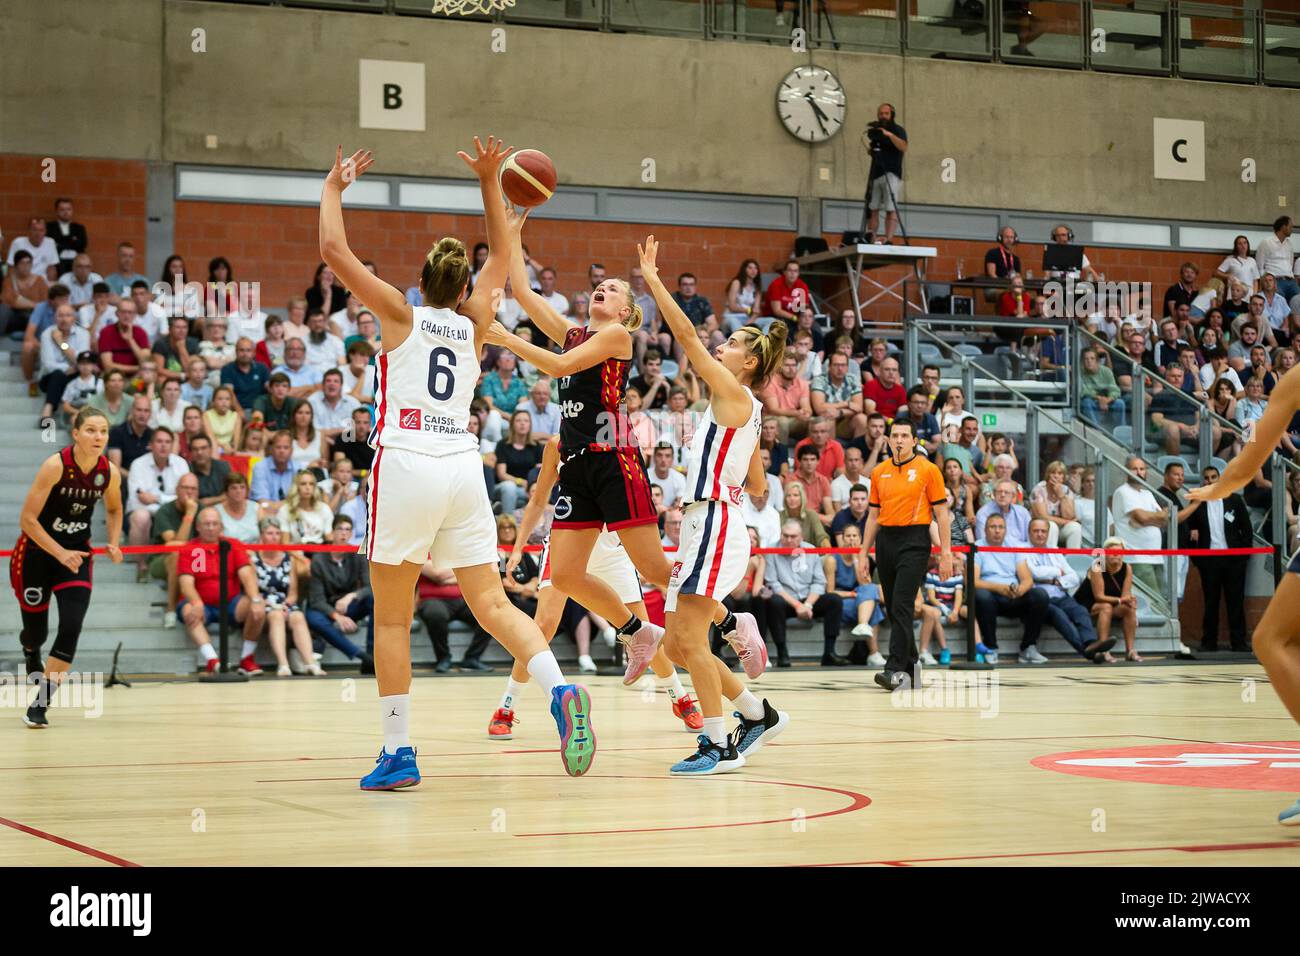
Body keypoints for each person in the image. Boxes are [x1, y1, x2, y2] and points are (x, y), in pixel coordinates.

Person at [320, 138, 595, 788]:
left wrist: (334, 188)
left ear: (420, 282)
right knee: (495, 607)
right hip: (462, 467)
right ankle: (559, 692)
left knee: (391, 617)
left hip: (407, 463)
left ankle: (398, 754)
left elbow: (334, 251)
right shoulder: (475, 320)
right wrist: (488, 184)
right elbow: (502, 255)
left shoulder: (395, 311)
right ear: (464, 286)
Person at [636, 234, 787, 774]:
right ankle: (757, 713)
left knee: (691, 643)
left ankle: (719, 744)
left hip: (716, 522)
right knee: (677, 646)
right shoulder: (741, 406)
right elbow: (760, 482)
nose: (719, 344)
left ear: (746, 363)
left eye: (731, 344)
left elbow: (685, 336)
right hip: (709, 522)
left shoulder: (730, 391)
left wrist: (653, 281)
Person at [499, 436, 708, 738]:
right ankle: (507, 705)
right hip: (567, 541)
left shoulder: (622, 443)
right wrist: (518, 547)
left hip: (612, 545)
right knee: (542, 626)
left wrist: (645, 554)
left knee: (643, 630)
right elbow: (537, 499)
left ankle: (680, 697)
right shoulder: (558, 444)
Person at [12, 408, 124, 727]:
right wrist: (59, 552)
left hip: (76, 557)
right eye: (90, 430)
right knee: (36, 631)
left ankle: (40, 705)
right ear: (75, 434)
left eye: (102, 431)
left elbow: (115, 509)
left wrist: (114, 541)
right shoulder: (54, 466)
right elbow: (27, 521)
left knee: (71, 626)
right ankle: (30, 649)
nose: (98, 437)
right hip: (36, 554)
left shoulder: (109, 472)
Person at [860, 418, 953, 690]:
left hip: (915, 540)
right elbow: (873, 516)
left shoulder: (929, 470)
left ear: (914, 440)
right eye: (895, 435)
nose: (899, 440)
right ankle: (913, 670)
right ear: (888, 440)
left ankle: (894, 669)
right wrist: (863, 552)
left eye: (904, 435)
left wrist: (945, 552)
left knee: (901, 604)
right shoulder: (879, 472)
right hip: (886, 541)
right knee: (893, 607)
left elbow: (942, 515)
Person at [176, 507, 267, 676]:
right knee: (189, 610)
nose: (211, 528)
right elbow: (186, 583)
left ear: (221, 527)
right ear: (198, 527)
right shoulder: (190, 549)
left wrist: (255, 599)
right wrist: (196, 602)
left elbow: (246, 574)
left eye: (214, 524)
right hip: (202, 604)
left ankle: (246, 659)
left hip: (231, 602)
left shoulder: (233, 545)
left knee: (259, 608)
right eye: (206, 524)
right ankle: (212, 661)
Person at [1022, 518, 1115, 662]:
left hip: (1061, 595)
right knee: (1060, 616)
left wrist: (1055, 580)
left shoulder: (1055, 551)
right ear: (1029, 533)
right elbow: (1035, 573)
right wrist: (1058, 572)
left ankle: (1091, 643)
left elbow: (1074, 577)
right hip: (1042, 599)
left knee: (1081, 611)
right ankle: (1087, 651)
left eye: (1043, 531)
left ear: (1048, 533)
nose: (1040, 534)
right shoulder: (1022, 550)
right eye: (1036, 531)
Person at [1186, 464, 1252, 653]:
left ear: (1219, 479)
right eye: (1206, 478)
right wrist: (1198, 561)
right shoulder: (1197, 503)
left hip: (1233, 560)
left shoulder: (1235, 500)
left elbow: (1247, 531)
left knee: (1236, 602)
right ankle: (1209, 642)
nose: (1209, 481)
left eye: (1213, 477)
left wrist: (1242, 557)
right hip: (1209, 560)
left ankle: (1238, 642)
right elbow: (1189, 532)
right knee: (1210, 602)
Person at [251, 517, 325, 677]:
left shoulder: (287, 558)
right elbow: (251, 590)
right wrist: (274, 606)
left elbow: (293, 592)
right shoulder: (252, 558)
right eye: (270, 533)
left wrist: (286, 604)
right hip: (263, 602)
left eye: (277, 533)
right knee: (276, 616)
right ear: (261, 535)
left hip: (285, 602)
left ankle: (310, 663)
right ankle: (283, 664)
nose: (274, 537)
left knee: (297, 616)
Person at [972, 512, 1050, 665]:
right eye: (993, 527)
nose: (997, 530)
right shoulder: (977, 547)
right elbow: (973, 582)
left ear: (1005, 530)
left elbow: (1027, 579)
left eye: (1001, 527)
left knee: (1040, 595)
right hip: (992, 596)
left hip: (1014, 595)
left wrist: (1020, 590)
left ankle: (1028, 647)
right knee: (981, 596)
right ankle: (991, 647)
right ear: (985, 530)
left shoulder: (1014, 546)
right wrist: (1000, 588)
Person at [1110, 456, 1169, 595]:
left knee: (1163, 599)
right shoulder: (1123, 492)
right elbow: (1141, 518)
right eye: (1134, 469)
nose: (1139, 472)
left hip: (1156, 556)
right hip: (1137, 556)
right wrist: (1152, 518)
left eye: (1142, 469)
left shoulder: (1147, 493)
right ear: (1126, 471)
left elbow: (1165, 519)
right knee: (1152, 599)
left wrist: (1147, 520)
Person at [831, 523, 886, 665]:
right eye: (848, 536)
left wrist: (857, 558)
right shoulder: (833, 559)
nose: (851, 539)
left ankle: (863, 624)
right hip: (842, 601)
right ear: (842, 539)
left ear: (860, 538)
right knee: (873, 606)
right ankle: (874, 653)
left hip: (861, 600)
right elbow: (829, 592)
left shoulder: (863, 558)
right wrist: (851, 594)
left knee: (870, 590)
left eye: (854, 536)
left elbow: (864, 584)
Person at [1074, 538, 1135, 664]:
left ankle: (1130, 651)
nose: (1115, 554)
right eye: (1111, 552)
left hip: (1111, 603)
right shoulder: (1098, 565)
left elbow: (1125, 595)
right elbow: (1099, 596)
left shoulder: (1127, 568)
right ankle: (1103, 649)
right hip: (1086, 604)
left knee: (1129, 608)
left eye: (1119, 552)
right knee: (1105, 606)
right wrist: (1121, 599)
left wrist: (1128, 600)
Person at [865, 103, 907, 244]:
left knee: (890, 208)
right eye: (881, 113)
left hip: (892, 173)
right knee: (873, 208)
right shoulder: (876, 132)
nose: (883, 116)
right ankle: (871, 238)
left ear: (892, 114)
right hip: (876, 173)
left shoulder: (898, 130)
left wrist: (889, 135)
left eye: (886, 113)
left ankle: (889, 239)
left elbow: (903, 146)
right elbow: (872, 150)